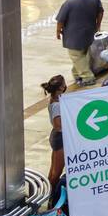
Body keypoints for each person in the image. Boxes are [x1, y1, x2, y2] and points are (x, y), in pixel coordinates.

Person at [55, 0, 103, 87]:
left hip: (73, 36)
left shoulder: (69, 3)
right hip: (89, 32)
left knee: (76, 55)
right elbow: (100, 12)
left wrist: (58, 32)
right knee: (83, 54)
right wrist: (98, 25)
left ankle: (88, 78)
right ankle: (76, 74)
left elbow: (60, 20)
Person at [42, 75, 67, 207]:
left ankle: (50, 195)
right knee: (56, 172)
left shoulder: (55, 99)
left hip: (56, 137)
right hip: (60, 137)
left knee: (53, 170)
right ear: (61, 87)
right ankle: (51, 200)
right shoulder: (56, 104)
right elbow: (58, 125)